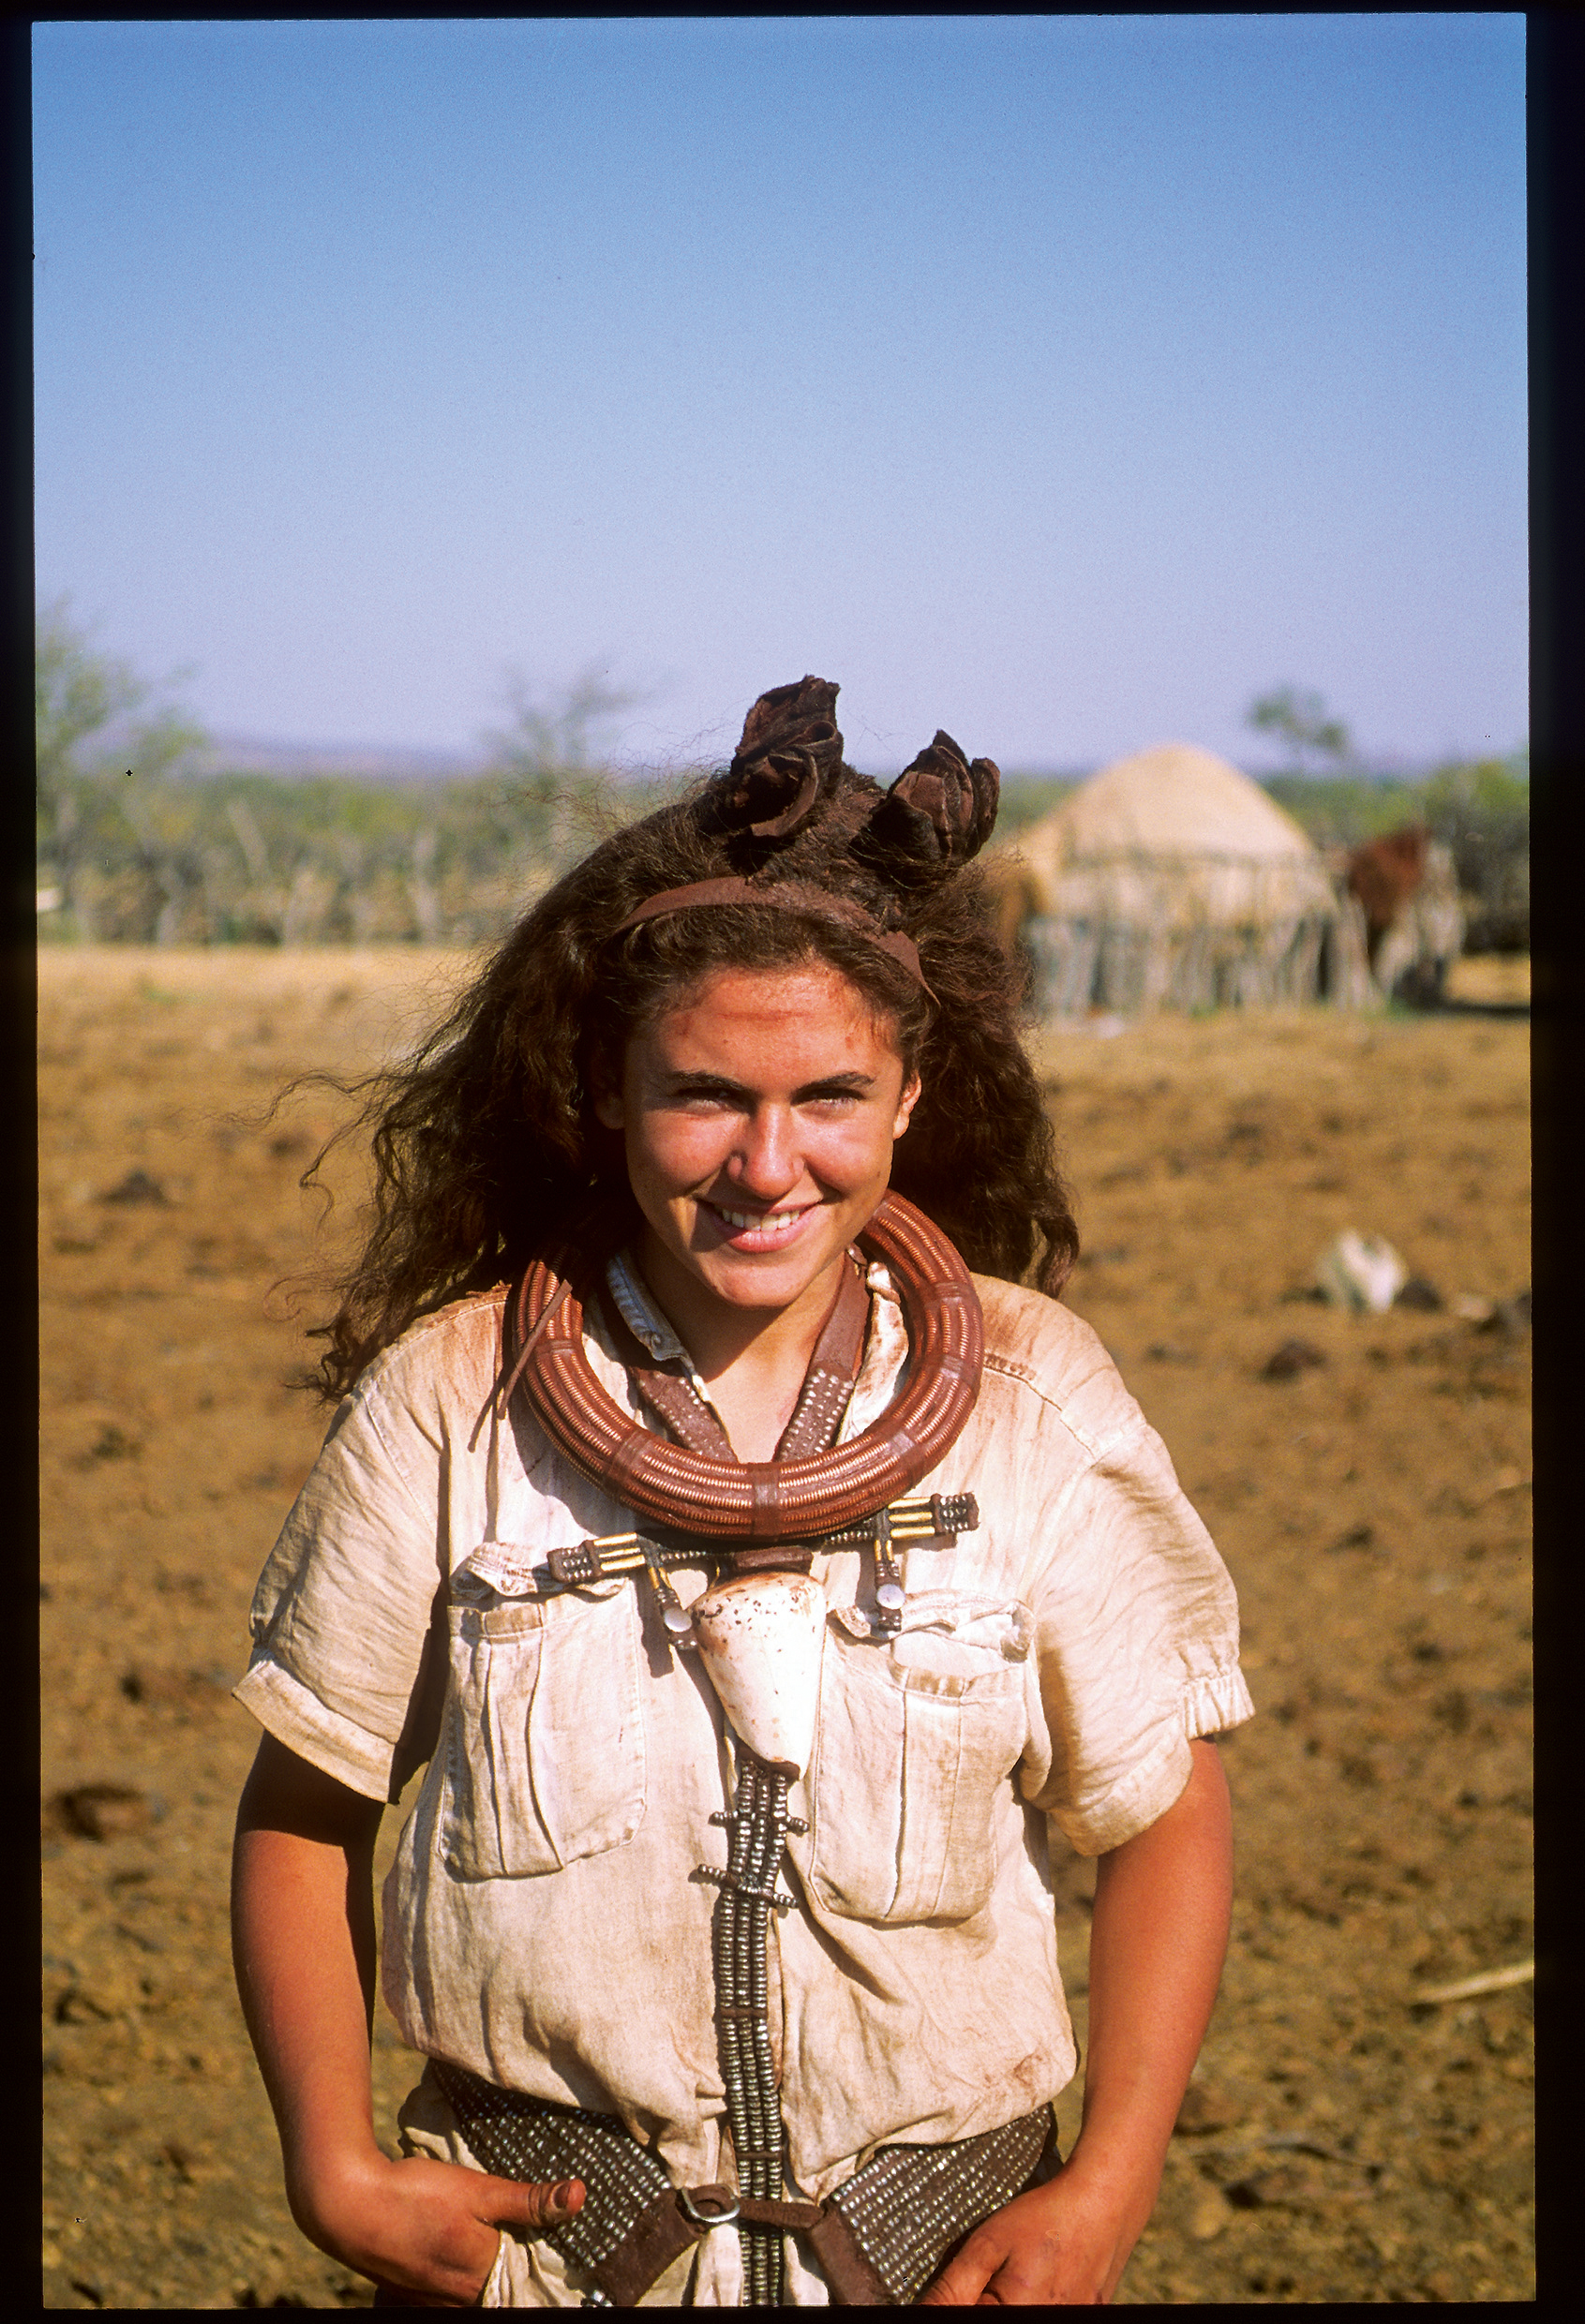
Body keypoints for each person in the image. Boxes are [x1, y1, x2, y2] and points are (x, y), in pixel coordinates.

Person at [231, 677, 1251, 2308]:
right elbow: (306, 1808)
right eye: (706, 1095)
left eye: (830, 1100)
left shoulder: (1036, 1396)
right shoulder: (450, 1398)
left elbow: (1166, 1811)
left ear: (911, 1099)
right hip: (540, 2261)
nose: (768, 1165)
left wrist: (1110, 2190)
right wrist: (330, 2162)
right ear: (605, 1093)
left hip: (943, 2265)